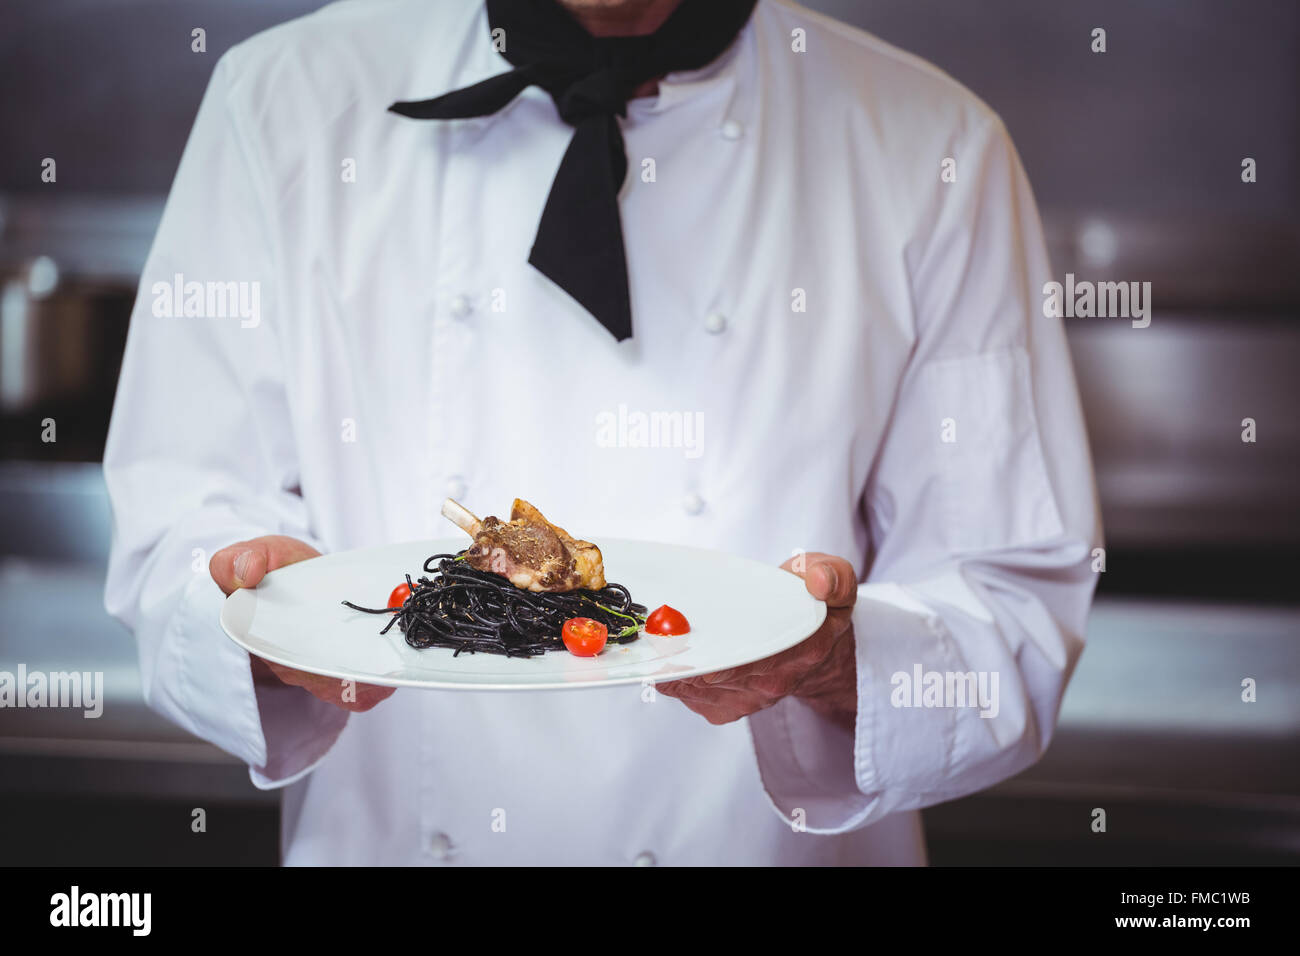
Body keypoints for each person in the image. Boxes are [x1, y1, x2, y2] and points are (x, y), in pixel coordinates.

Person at [103, 0, 1102, 865]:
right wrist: (265, 615)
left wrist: (836, 661)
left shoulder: (934, 146)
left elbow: (1008, 609)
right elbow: (173, 533)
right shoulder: (279, 103)